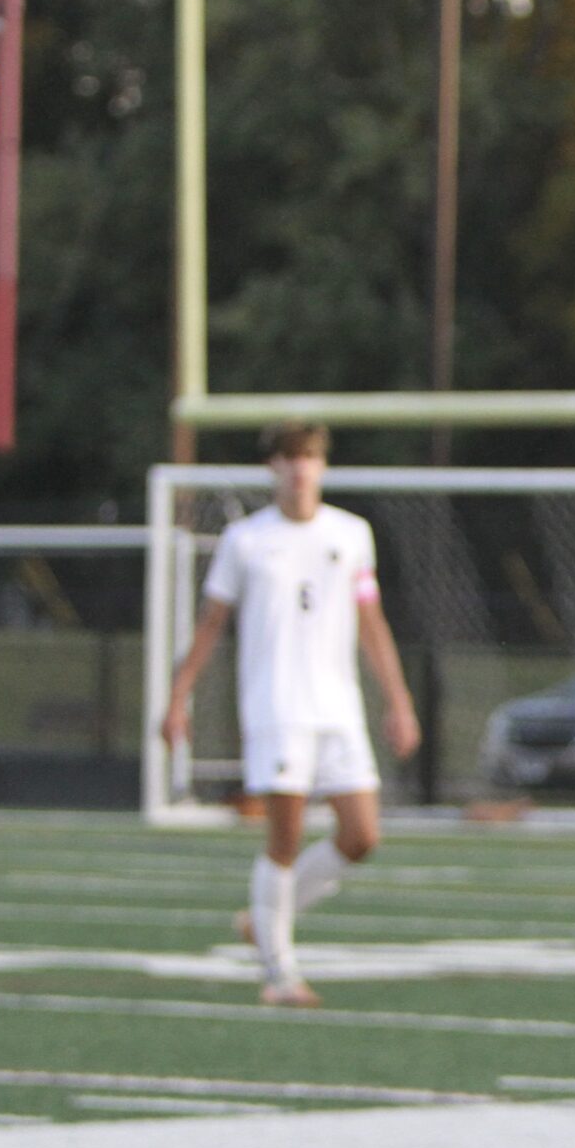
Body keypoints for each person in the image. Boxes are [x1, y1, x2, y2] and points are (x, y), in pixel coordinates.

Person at [162, 421, 421, 1008]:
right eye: (289, 458)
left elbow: (371, 622)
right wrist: (179, 696)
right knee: (285, 836)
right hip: (277, 707)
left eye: (309, 458)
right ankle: (279, 973)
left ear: (322, 467)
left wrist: (398, 700)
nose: (300, 469)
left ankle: (265, 921)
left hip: (339, 708)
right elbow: (211, 625)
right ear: (273, 468)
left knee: (361, 835)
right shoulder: (246, 540)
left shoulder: (351, 533)